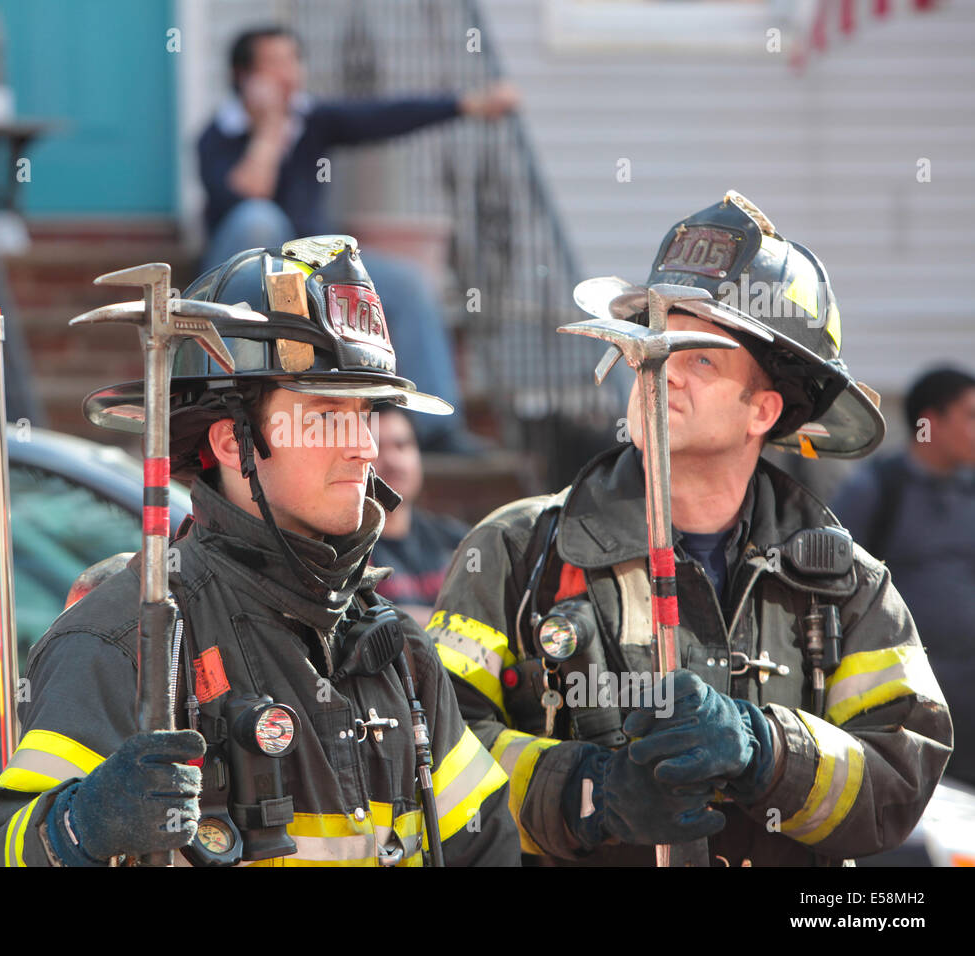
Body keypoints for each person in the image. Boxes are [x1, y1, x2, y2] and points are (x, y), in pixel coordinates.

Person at [429, 192, 953, 866]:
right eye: (655, 338)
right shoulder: (515, 552)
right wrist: (590, 794)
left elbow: (900, 776)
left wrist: (767, 749)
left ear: (762, 409)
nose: (659, 369)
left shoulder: (842, 582)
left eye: (699, 356)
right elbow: (435, 757)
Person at [0, 236, 518, 867]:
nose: (366, 447)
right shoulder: (124, 639)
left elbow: (485, 848)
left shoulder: (398, 656)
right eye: (326, 415)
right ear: (234, 443)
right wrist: (82, 825)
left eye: (366, 414)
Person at [198, 25, 517, 454]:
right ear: (243, 76)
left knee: (405, 285)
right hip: (242, 279)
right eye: (274, 65)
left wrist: (466, 105)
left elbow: (386, 115)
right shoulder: (216, 136)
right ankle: (219, 395)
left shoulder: (312, 121)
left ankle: (437, 430)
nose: (289, 76)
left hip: (309, 269)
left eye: (294, 61)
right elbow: (250, 188)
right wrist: (271, 127)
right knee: (259, 218)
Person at [831, 366, 975, 785]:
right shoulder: (877, 490)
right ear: (930, 422)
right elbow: (835, 582)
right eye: (969, 416)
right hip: (911, 705)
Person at [369, 406, 469, 627]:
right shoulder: (344, 553)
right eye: (375, 447)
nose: (392, 460)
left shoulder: (456, 540)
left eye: (402, 445)